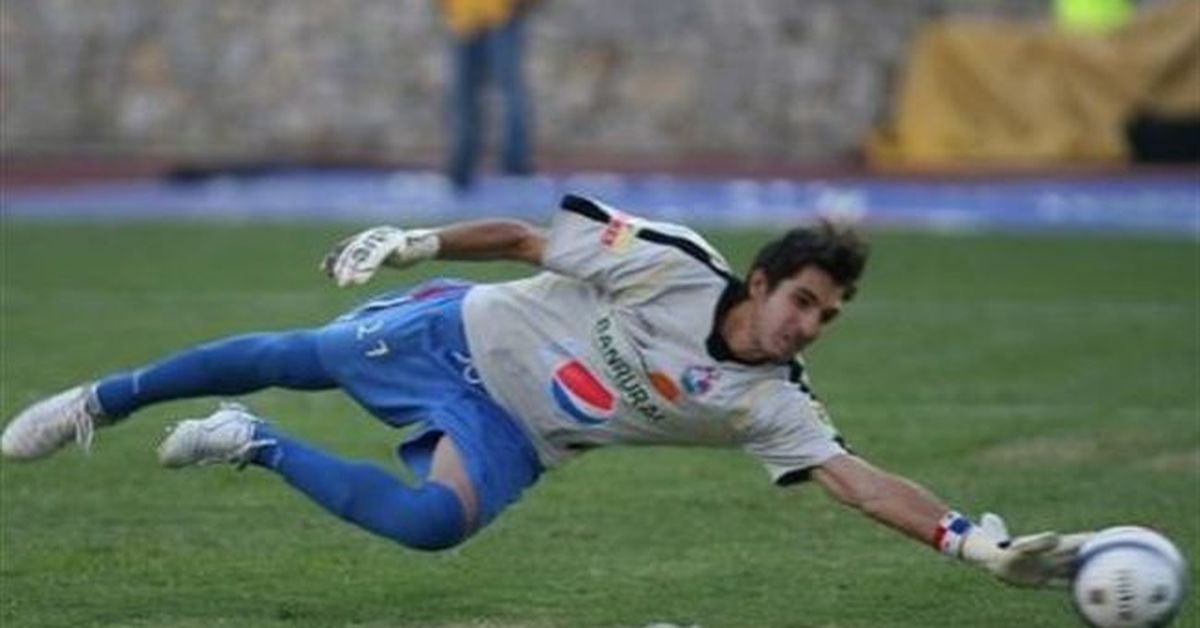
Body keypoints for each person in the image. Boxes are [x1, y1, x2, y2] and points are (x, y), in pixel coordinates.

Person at [2, 193, 1091, 584]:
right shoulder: (670, 259)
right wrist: (417, 240)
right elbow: (528, 236)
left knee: (432, 529)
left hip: (522, 433)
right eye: (803, 300)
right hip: (460, 338)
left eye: (826, 317)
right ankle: (100, 401)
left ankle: (250, 444)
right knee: (297, 353)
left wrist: (970, 542)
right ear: (761, 281)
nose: (808, 325)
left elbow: (854, 481)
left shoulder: (774, 402)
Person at [436, 0, 536, 190]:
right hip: (464, 22)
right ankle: (461, 168)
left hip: (500, 19)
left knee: (509, 92)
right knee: (465, 98)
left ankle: (514, 165)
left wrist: (516, 10)